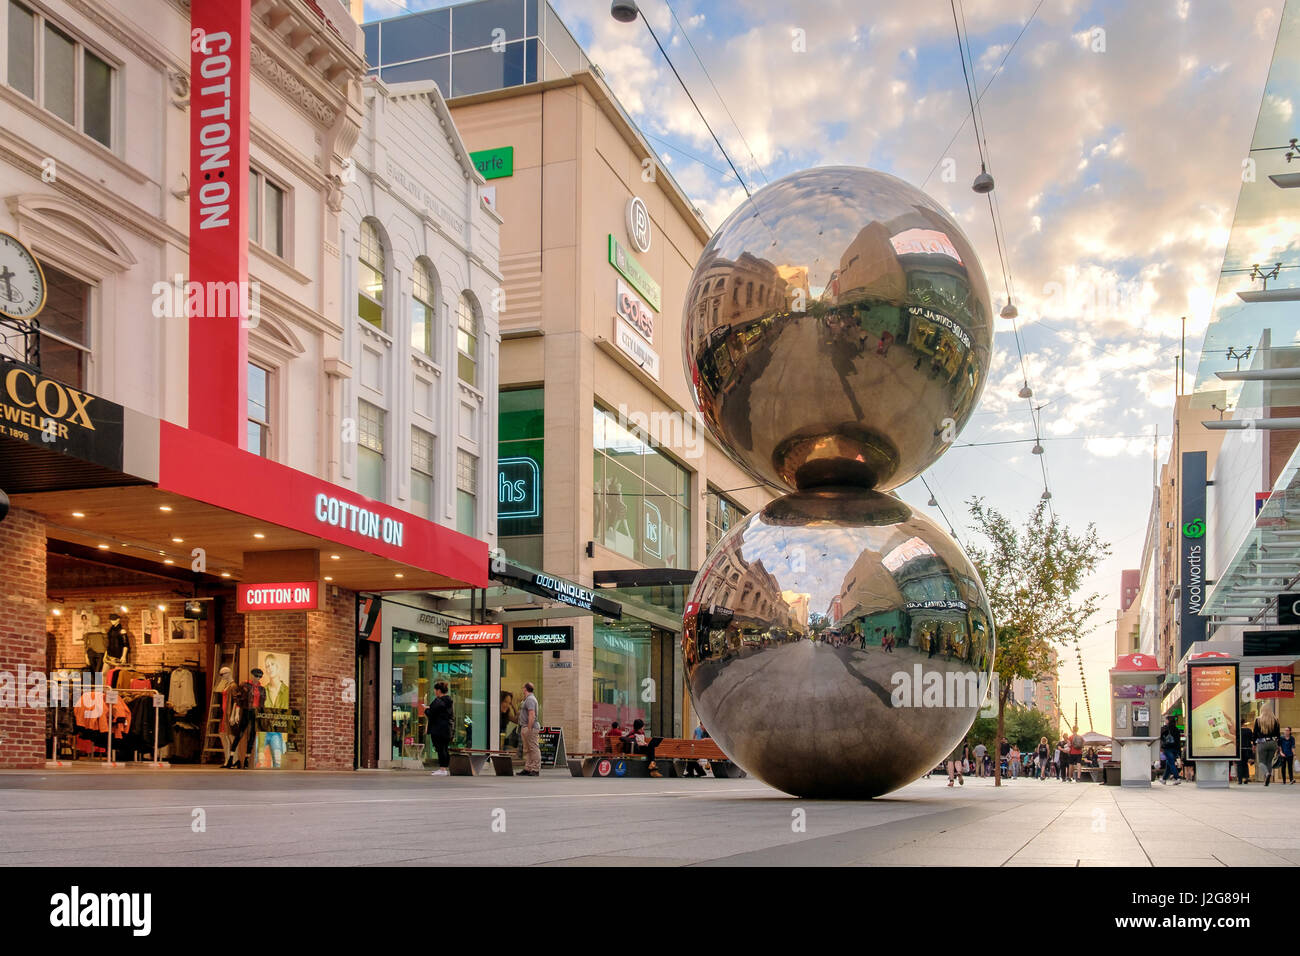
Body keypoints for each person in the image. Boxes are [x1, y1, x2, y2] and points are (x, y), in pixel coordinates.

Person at [425, 681, 454, 776]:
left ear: (438, 690)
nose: (434, 692)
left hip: (438, 729)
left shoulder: (439, 701)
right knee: (444, 748)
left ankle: (442, 769)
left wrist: (426, 709)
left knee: (440, 749)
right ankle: (444, 768)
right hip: (447, 729)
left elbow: (431, 713)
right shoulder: (448, 701)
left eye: (435, 690)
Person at [1254, 703, 1281, 787]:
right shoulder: (1275, 720)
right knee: (1269, 762)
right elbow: (1278, 734)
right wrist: (1279, 745)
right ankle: (1267, 780)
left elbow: (1254, 733)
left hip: (1262, 743)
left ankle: (1266, 773)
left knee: (1261, 762)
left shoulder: (1258, 720)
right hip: (1273, 743)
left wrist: (1254, 744)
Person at [214, 665, 237, 768]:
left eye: (223, 674)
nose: (222, 676)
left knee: (231, 737)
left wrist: (233, 715)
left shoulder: (233, 686)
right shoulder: (226, 685)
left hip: (229, 715)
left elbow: (236, 702)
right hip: (223, 714)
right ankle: (227, 759)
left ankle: (234, 760)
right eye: (221, 674)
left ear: (229, 673)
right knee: (223, 736)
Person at [518, 681, 541, 776]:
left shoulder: (530, 699)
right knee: (527, 749)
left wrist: (529, 728)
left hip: (530, 727)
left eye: (523, 687)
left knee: (533, 748)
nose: (522, 689)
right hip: (525, 726)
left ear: (525, 689)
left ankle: (535, 768)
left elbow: (532, 714)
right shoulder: (527, 699)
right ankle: (528, 768)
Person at [1159, 715, 1182, 786]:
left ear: (1168, 721)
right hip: (1175, 749)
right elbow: (1178, 741)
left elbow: (1160, 736)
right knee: (1169, 763)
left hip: (1168, 748)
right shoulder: (1177, 730)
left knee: (1171, 763)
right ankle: (1164, 779)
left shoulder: (1165, 729)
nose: (1165, 721)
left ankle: (1177, 778)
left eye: (1166, 720)